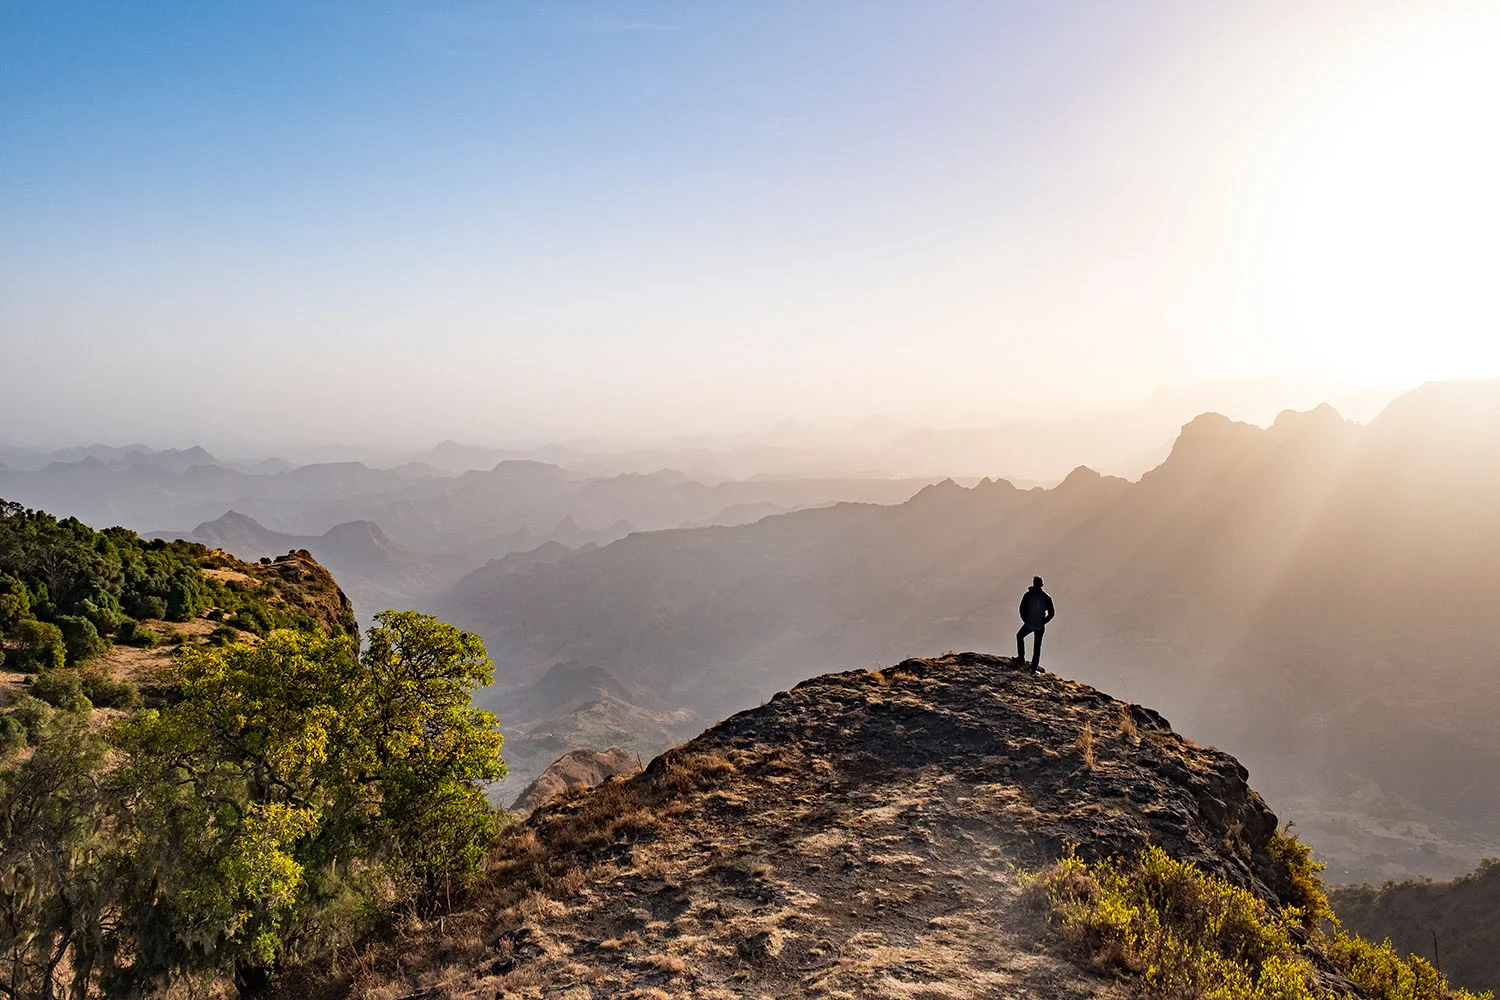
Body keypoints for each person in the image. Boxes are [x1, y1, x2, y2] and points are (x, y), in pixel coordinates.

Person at [1016, 576, 1054, 670]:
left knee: (1020, 636)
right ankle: (1034, 667)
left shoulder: (1028, 595)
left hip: (1030, 622)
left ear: (1033, 583)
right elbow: (1052, 613)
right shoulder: (1046, 597)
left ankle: (1021, 658)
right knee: (1037, 646)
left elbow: (1022, 608)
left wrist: (1025, 620)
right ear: (1042, 584)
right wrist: (1043, 622)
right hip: (1040, 624)